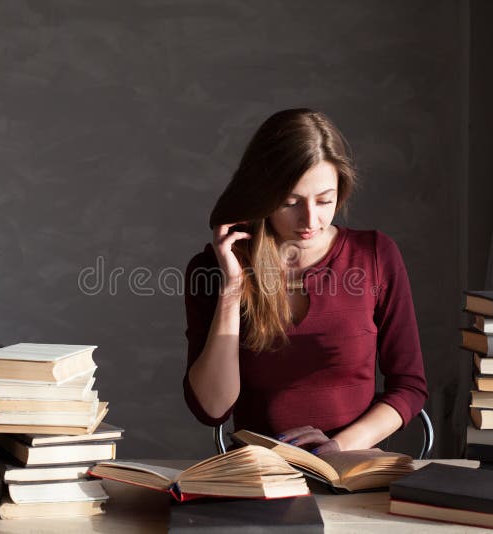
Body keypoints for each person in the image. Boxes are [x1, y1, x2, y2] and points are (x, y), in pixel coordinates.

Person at [183, 108, 427, 455]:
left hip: (349, 467)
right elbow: (212, 408)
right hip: (262, 477)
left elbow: (409, 387)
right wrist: (232, 288)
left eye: (325, 200)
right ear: (262, 197)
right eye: (290, 203)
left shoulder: (375, 255)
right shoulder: (212, 269)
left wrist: (337, 447)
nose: (310, 220)